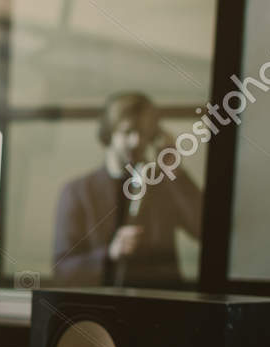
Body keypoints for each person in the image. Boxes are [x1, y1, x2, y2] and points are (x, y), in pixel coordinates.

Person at [52, 91, 201, 288]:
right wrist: (110, 254)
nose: (136, 142)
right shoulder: (77, 192)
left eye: (144, 133)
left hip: (163, 306)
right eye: (127, 132)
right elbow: (63, 270)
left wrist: (174, 169)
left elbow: (202, 229)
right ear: (109, 133)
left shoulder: (165, 184)